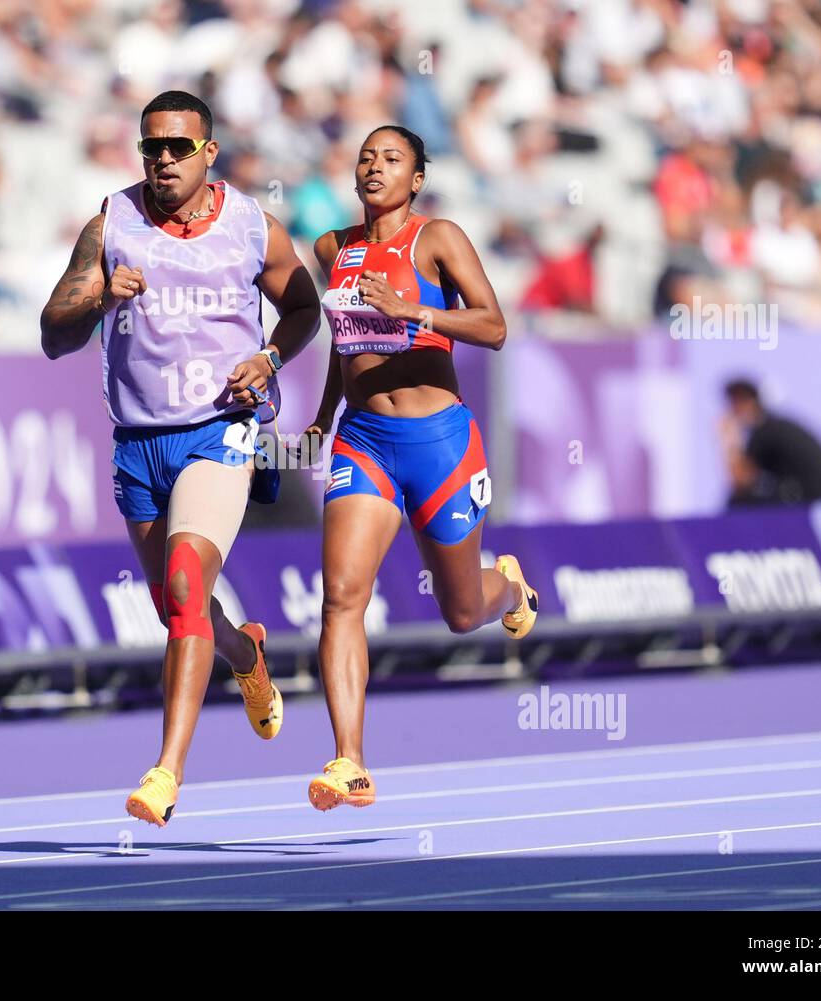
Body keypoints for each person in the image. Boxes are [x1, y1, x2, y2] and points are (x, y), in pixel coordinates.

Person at [40, 91, 320, 827]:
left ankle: (166, 771)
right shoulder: (111, 223)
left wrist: (268, 357)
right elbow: (52, 335)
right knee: (179, 608)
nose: (163, 160)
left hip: (219, 431)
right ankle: (245, 653)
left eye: (178, 147)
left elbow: (304, 309)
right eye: (152, 147)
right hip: (139, 444)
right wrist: (99, 298)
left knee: (187, 588)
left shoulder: (251, 226)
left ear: (209, 152)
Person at [298, 125, 538, 811]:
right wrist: (322, 416)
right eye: (366, 158)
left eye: (392, 158)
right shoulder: (333, 249)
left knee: (461, 612)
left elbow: (494, 327)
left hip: (440, 443)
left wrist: (415, 312)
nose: (375, 167)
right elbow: (345, 345)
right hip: (364, 441)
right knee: (342, 596)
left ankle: (509, 589)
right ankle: (350, 761)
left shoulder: (438, 239)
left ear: (417, 178)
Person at [721, 379, 821, 506]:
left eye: (737, 403)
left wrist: (730, 439)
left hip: (812, 500)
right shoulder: (773, 426)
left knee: (739, 502)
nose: (733, 410)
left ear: (752, 402)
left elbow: (741, 482)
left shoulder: (765, 431)